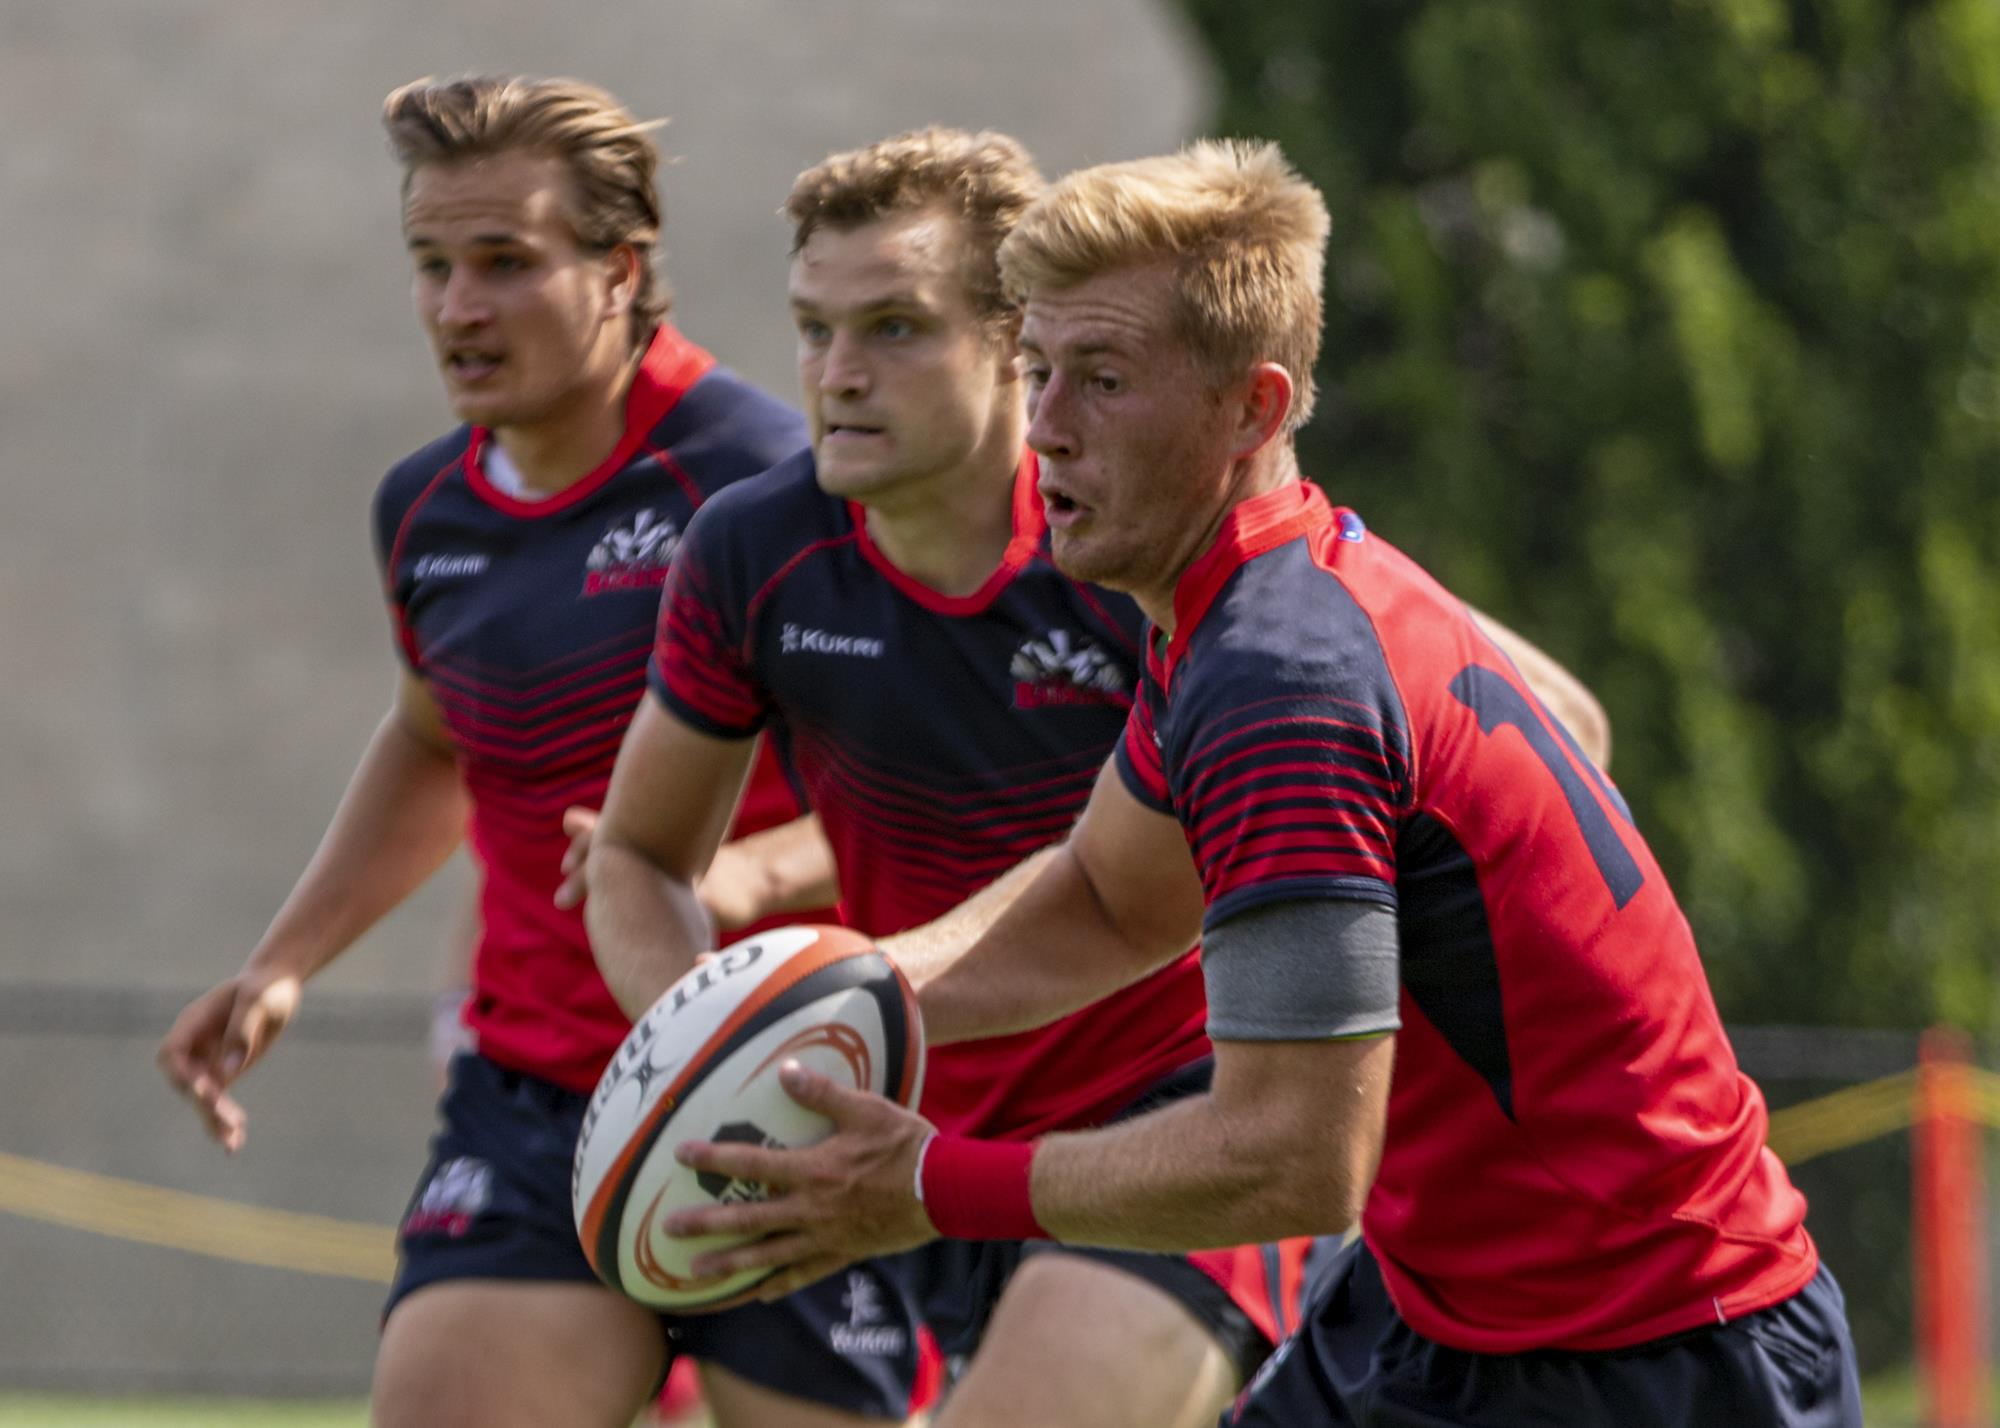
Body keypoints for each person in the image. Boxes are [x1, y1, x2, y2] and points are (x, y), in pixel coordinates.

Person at [654, 141, 1864, 1427]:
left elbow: (1290, 1159)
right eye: (1037, 369)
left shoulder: (1279, 680)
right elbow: (1110, 902)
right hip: (1451, 1319)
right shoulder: (1251, 597)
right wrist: (837, 1000)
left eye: (1103, 381)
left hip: (1654, 1356)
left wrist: (930, 1184)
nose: (1046, 425)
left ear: (1251, 405)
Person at [155, 74, 826, 1428]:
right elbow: (432, 740)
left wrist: (738, 878)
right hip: (538, 1104)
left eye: (505, 264)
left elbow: (912, 780)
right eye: (431, 265)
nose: (457, 308)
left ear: (621, 272)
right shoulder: (425, 511)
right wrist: (285, 960)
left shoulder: (759, 487)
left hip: (793, 1095)